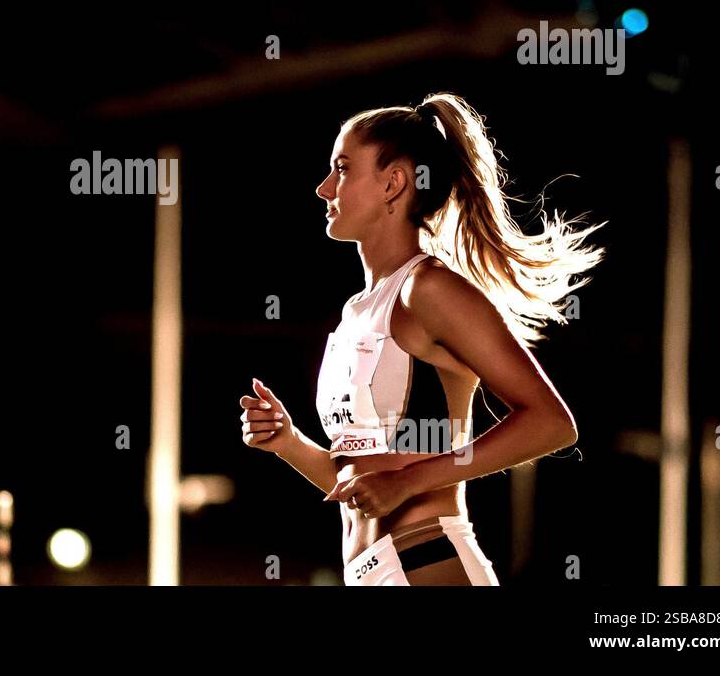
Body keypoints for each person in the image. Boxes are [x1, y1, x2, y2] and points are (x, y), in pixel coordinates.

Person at [240, 93, 604, 585]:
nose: (324, 189)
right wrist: (290, 443)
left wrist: (407, 482)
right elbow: (367, 485)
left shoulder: (428, 289)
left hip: (430, 561)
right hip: (372, 570)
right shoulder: (356, 312)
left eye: (342, 169)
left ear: (394, 183)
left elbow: (552, 423)